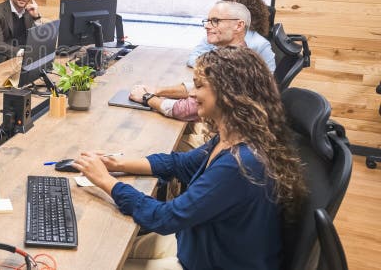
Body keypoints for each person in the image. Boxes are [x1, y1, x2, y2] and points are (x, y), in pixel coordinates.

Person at [74, 47, 306, 270]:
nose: (192, 93)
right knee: (103, 244)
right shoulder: (233, 136)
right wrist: (117, 164)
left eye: (199, 86)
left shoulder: (239, 164)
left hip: (214, 263)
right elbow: (180, 164)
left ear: (229, 92)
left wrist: (106, 181)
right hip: (198, 243)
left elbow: (164, 218)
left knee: (95, 261)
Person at [130, 1, 276, 149]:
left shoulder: (230, 65)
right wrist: (158, 91)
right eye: (208, 21)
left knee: (157, 142)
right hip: (228, 133)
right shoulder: (235, 56)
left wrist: (146, 98)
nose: (207, 25)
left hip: (228, 144)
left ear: (239, 25)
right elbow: (197, 87)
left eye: (215, 21)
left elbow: (185, 110)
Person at [187, 0, 274, 69]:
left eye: (216, 20)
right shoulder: (216, 35)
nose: (207, 26)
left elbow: (268, 81)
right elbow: (193, 59)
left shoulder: (259, 45)